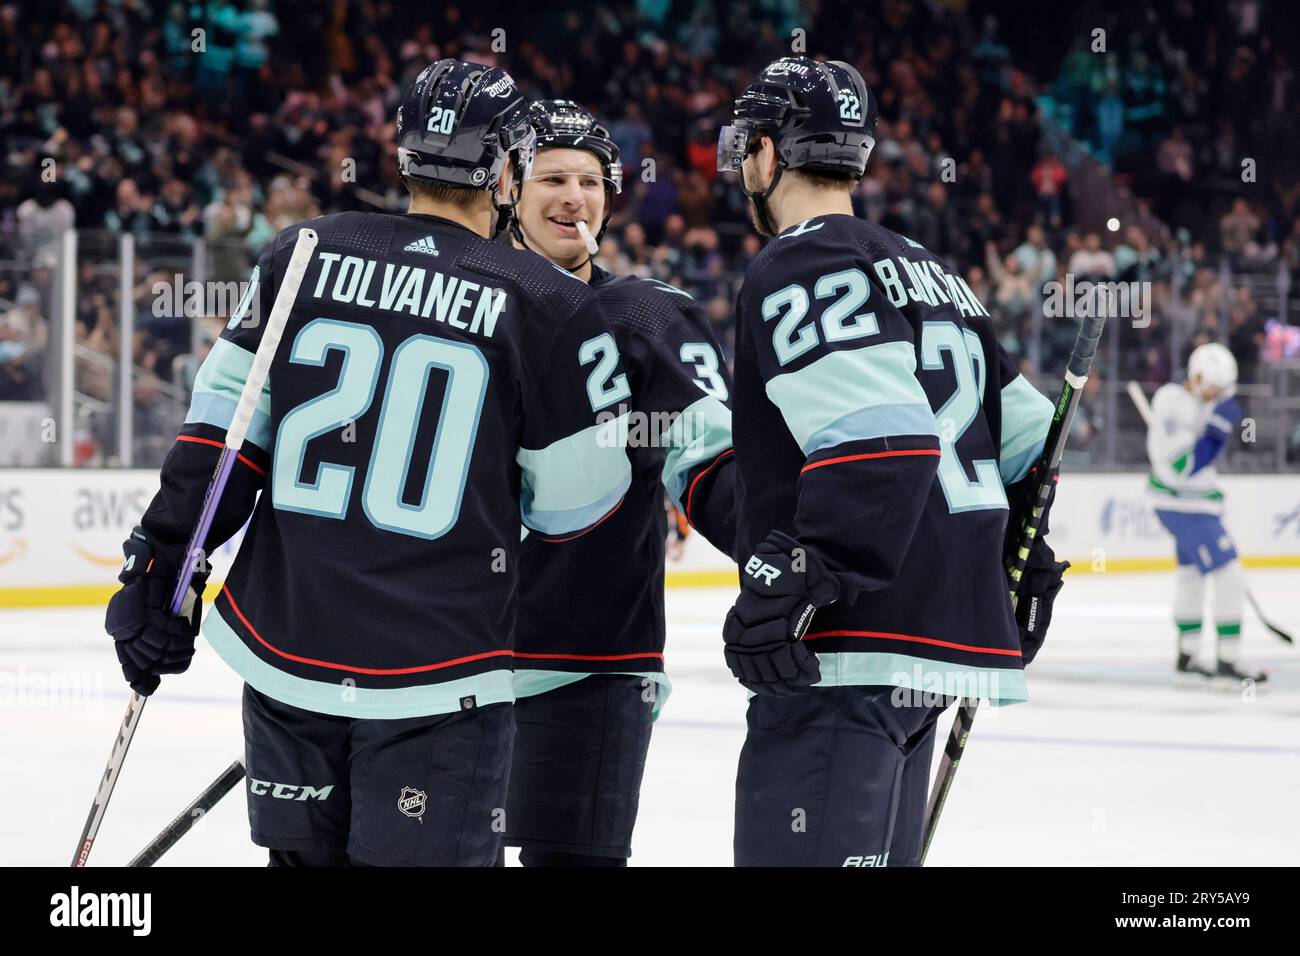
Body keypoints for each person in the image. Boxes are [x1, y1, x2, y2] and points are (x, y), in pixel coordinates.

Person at [103, 60, 632, 866]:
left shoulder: (303, 253)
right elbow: (574, 505)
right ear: (507, 168)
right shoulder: (549, 301)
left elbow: (222, 437)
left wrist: (160, 565)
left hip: (286, 656)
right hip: (442, 671)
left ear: (406, 151)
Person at [716, 56, 1065, 866]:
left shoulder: (799, 262)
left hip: (847, 653)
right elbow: (1029, 442)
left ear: (767, 152)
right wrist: (1028, 560)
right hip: (932, 659)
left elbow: (884, 447)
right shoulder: (935, 273)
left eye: (746, 148)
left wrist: (801, 577)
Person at [503, 100, 736, 866]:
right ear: (508, 186)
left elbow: (717, 462)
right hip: (447, 657)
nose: (575, 196)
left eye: (591, 181)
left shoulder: (650, 316)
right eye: (553, 179)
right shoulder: (460, 304)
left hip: (594, 662)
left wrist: (795, 555)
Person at [1147, 343, 1263, 682]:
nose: (1217, 395)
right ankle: (1228, 659)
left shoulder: (1201, 399)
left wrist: (1219, 426)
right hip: (1183, 505)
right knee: (1230, 575)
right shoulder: (1171, 401)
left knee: (1191, 574)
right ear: (1197, 377)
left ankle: (1188, 654)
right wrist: (1216, 434)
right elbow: (1182, 467)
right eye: (1214, 387)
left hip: (1193, 504)